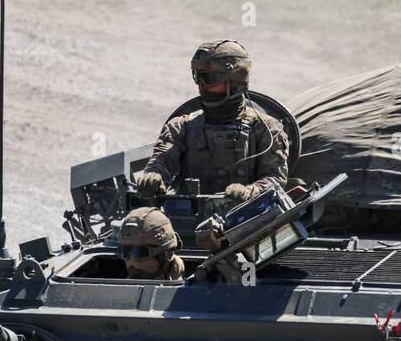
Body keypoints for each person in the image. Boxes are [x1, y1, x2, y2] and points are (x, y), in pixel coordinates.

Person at [136, 39, 289, 205]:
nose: (201, 85)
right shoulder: (180, 126)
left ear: (235, 81)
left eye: (209, 78)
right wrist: (154, 176)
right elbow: (162, 160)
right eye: (198, 77)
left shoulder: (267, 129)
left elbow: (274, 179)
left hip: (245, 216)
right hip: (187, 216)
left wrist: (250, 192)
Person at [117, 207, 184, 280]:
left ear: (166, 254)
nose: (131, 261)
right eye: (124, 251)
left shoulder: (188, 285)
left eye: (140, 252)